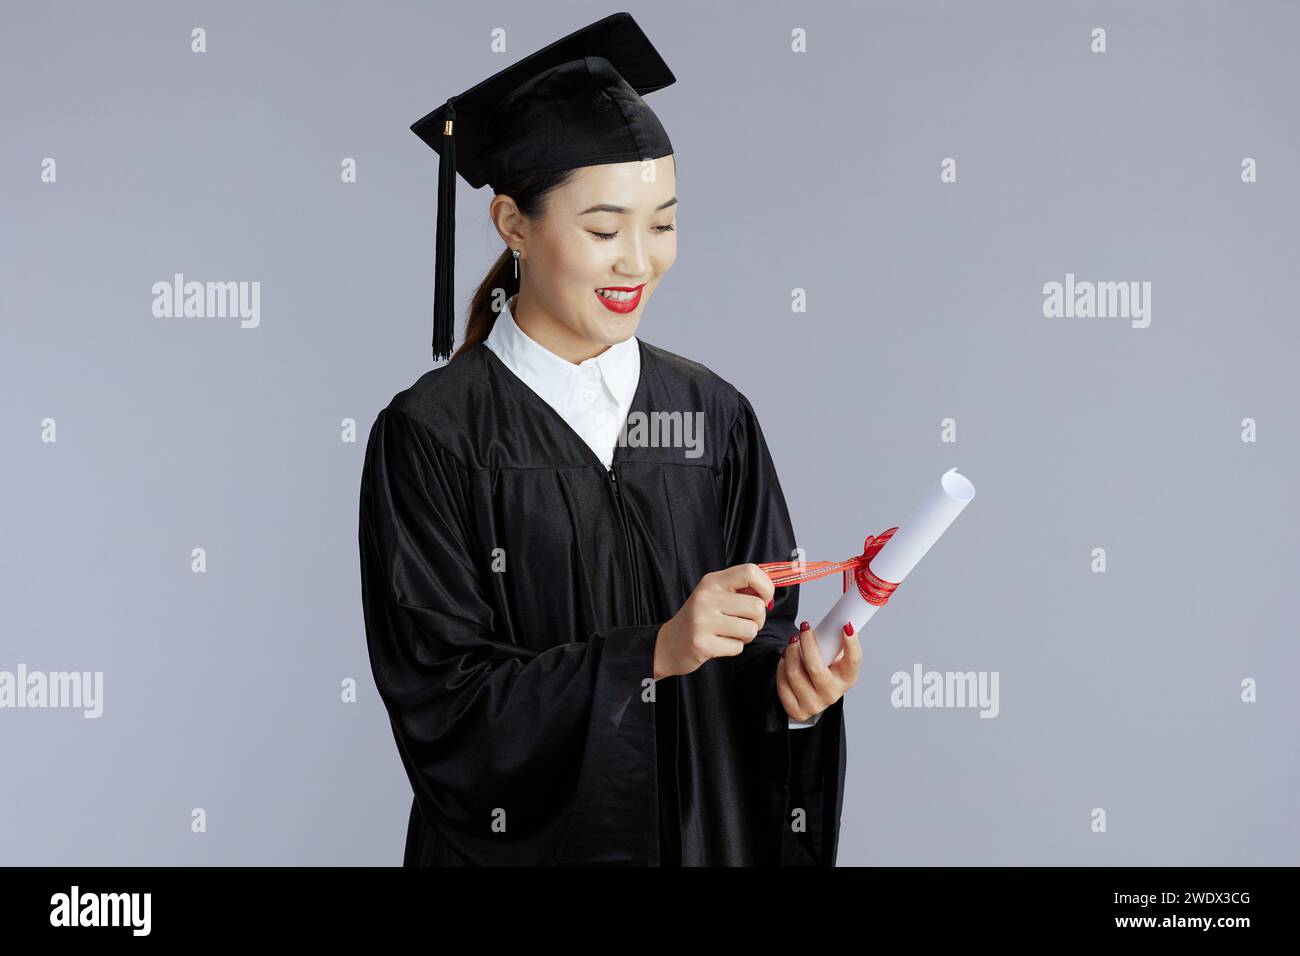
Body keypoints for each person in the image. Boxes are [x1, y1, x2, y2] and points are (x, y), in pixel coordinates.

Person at [358, 12, 859, 866]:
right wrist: (653, 652)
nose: (638, 260)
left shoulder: (714, 417)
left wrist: (799, 694)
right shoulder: (434, 436)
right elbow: (445, 713)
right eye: (602, 229)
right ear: (512, 224)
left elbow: (765, 643)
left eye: (661, 223)